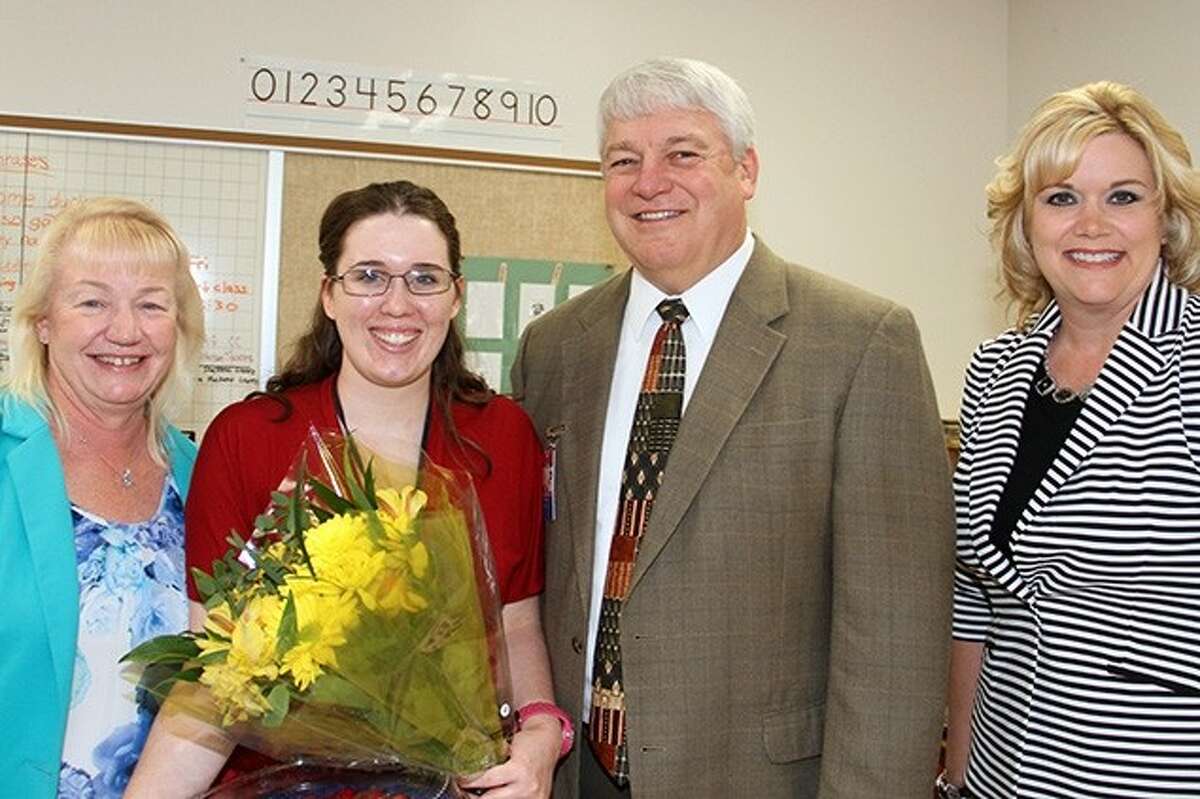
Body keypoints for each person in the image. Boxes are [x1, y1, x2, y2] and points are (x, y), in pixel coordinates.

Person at [511, 57, 955, 798]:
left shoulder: (860, 341)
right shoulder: (556, 346)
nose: (649, 181)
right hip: (575, 777)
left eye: (682, 153)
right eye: (625, 160)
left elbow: (897, 636)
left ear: (746, 170)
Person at [127, 180, 566, 798]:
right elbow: (220, 666)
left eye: (424, 278)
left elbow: (516, 625)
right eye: (368, 276)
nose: (397, 304)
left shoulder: (503, 437)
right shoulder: (248, 439)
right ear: (329, 295)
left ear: (455, 296)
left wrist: (543, 735)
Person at [940, 81, 1200, 798]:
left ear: (1167, 218)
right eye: (1060, 197)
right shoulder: (994, 372)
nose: (1092, 224)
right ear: (1026, 225)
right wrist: (958, 767)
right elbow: (975, 593)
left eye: (1123, 197)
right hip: (1001, 769)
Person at [0, 198, 204, 797]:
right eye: (92, 301)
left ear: (179, 327)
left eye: (151, 305)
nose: (124, 331)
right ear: (42, 321)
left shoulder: (202, 476)